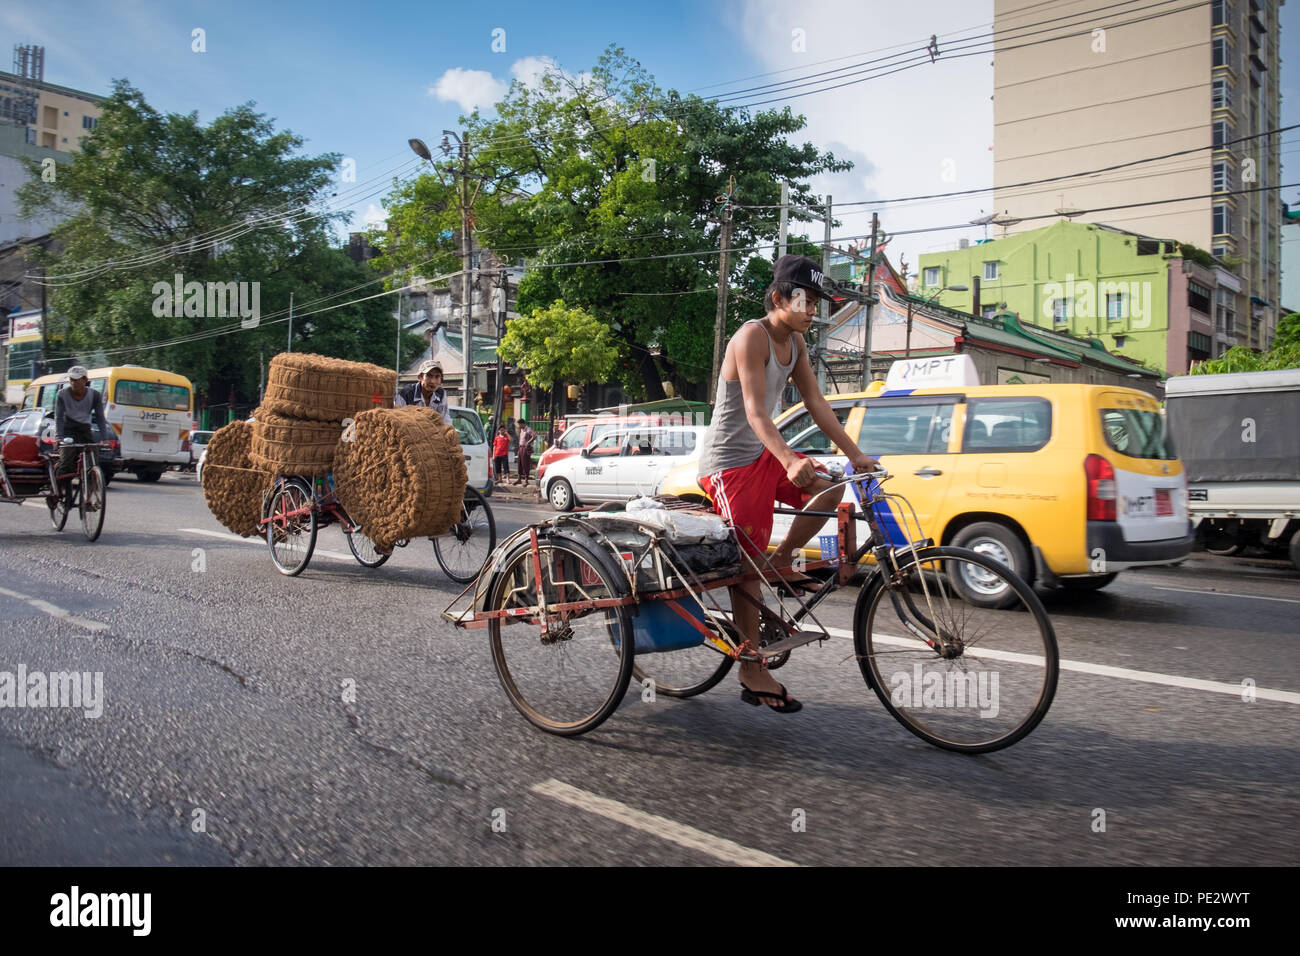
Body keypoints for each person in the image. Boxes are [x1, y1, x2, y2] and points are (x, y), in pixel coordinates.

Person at [696, 254, 878, 715]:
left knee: (831, 487)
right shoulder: (750, 336)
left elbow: (816, 402)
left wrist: (854, 455)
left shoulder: (795, 342)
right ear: (779, 297)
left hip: (761, 456)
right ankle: (752, 666)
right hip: (729, 465)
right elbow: (756, 410)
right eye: (806, 299)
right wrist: (786, 459)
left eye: (817, 302)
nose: (813, 310)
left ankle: (781, 560)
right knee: (746, 566)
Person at [51, 365, 109, 505]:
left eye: (77, 380)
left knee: (92, 464)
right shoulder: (62, 394)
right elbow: (58, 417)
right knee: (66, 463)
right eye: (71, 380)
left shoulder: (94, 395)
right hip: (67, 430)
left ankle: (88, 497)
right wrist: (58, 437)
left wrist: (104, 438)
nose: (73, 383)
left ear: (85, 380)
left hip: (85, 430)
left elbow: (100, 418)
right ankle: (61, 491)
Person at [395, 359, 450, 425]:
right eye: (429, 376)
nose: (432, 381)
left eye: (437, 376)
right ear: (420, 377)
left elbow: (445, 421)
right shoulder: (406, 394)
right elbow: (397, 421)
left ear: (441, 379)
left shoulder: (441, 394)